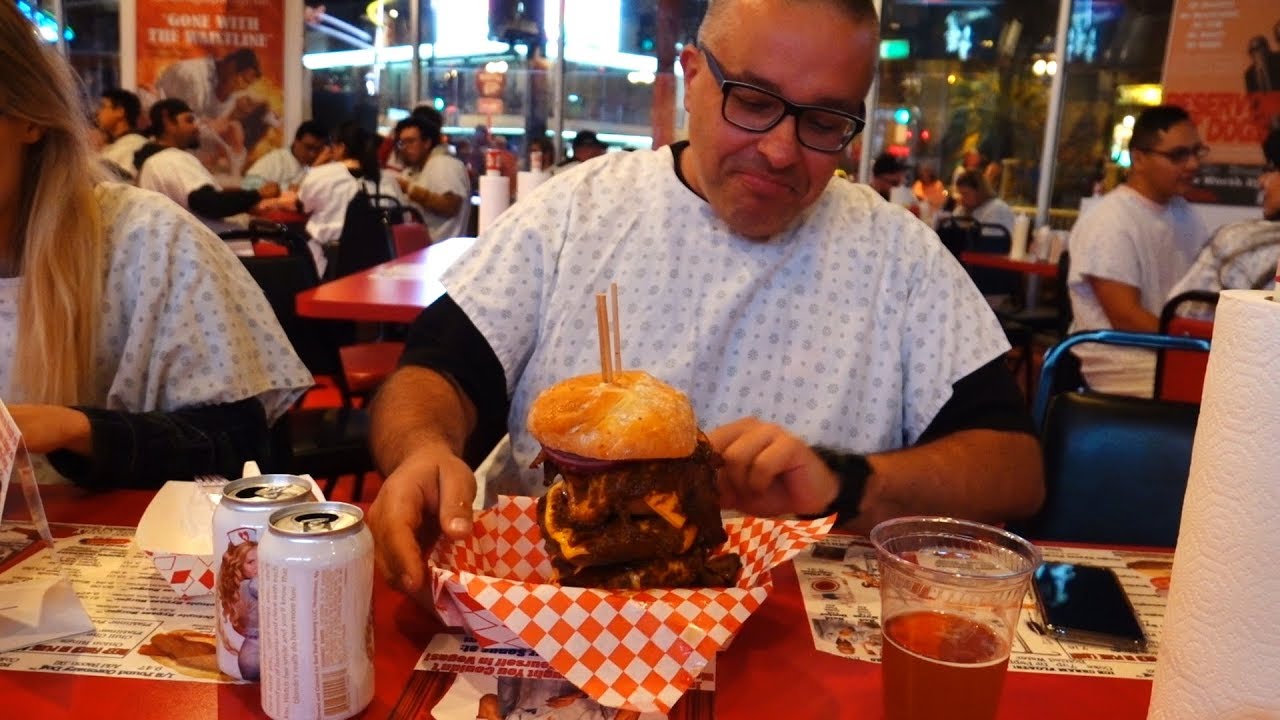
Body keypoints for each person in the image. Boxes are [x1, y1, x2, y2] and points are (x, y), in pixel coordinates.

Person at [366, 0, 1043, 598]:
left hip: (795, 644)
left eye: (826, 120)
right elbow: (435, 372)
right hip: (566, 614)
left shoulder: (903, 257)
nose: (781, 151)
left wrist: (848, 481)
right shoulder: (575, 211)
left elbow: (1015, 470)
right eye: (752, 101)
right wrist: (421, 447)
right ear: (693, 75)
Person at [0, 2, 311, 488]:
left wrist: (72, 429)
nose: (195, 124)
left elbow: (241, 444)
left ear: (29, 118)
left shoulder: (147, 238)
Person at [1067, 104, 1208, 396]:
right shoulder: (1110, 219)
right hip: (1122, 364)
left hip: (1170, 351)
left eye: (1197, 152)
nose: (1193, 164)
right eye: (1179, 155)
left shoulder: (1185, 214)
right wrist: (1196, 343)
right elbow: (1126, 317)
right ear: (1139, 158)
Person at [135, 98, 281, 235]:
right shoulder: (173, 158)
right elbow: (208, 203)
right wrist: (258, 195)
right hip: (212, 247)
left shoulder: (153, 162)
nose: (196, 127)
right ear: (167, 121)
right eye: (189, 120)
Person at [294, 120, 404, 276]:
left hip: (331, 266)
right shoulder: (389, 179)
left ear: (341, 148)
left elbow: (302, 205)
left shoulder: (322, 174)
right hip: (382, 265)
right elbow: (403, 217)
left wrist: (318, 164)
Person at [1167, 167, 1280, 316]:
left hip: (1214, 336)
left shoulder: (1238, 238)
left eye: (1273, 170)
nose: (1261, 181)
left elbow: (1181, 312)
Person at [147, 48, 267, 177]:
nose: (242, 88)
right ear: (231, 67)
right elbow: (185, 127)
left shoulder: (231, 93)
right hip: (164, 157)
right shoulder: (191, 76)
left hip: (189, 163)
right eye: (244, 79)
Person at [394, 111, 471, 243]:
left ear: (427, 142)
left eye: (411, 141)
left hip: (443, 253)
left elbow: (450, 206)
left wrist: (409, 189)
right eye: (402, 143)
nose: (406, 148)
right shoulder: (412, 171)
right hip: (423, 252)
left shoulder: (444, 163)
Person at [217, 541, 260, 680]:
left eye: (261, 559)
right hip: (254, 656)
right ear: (240, 567)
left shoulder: (241, 589)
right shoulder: (250, 585)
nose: (258, 566)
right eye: (251, 562)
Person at [244, 120, 329, 189]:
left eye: (318, 149)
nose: (313, 154)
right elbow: (248, 185)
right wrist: (284, 188)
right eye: (308, 147)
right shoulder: (276, 160)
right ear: (296, 142)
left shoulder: (322, 164)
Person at [96, 88, 146, 181]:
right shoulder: (117, 144)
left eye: (103, 106)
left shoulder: (135, 144)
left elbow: (125, 182)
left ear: (120, 112)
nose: (98, 112)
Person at [952, 169, 1015, 233]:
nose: (961, 198)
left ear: (979, 192)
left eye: (965, 194)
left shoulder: (997, 209)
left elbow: (989, 240)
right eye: (960, 194)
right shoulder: (961, 210)